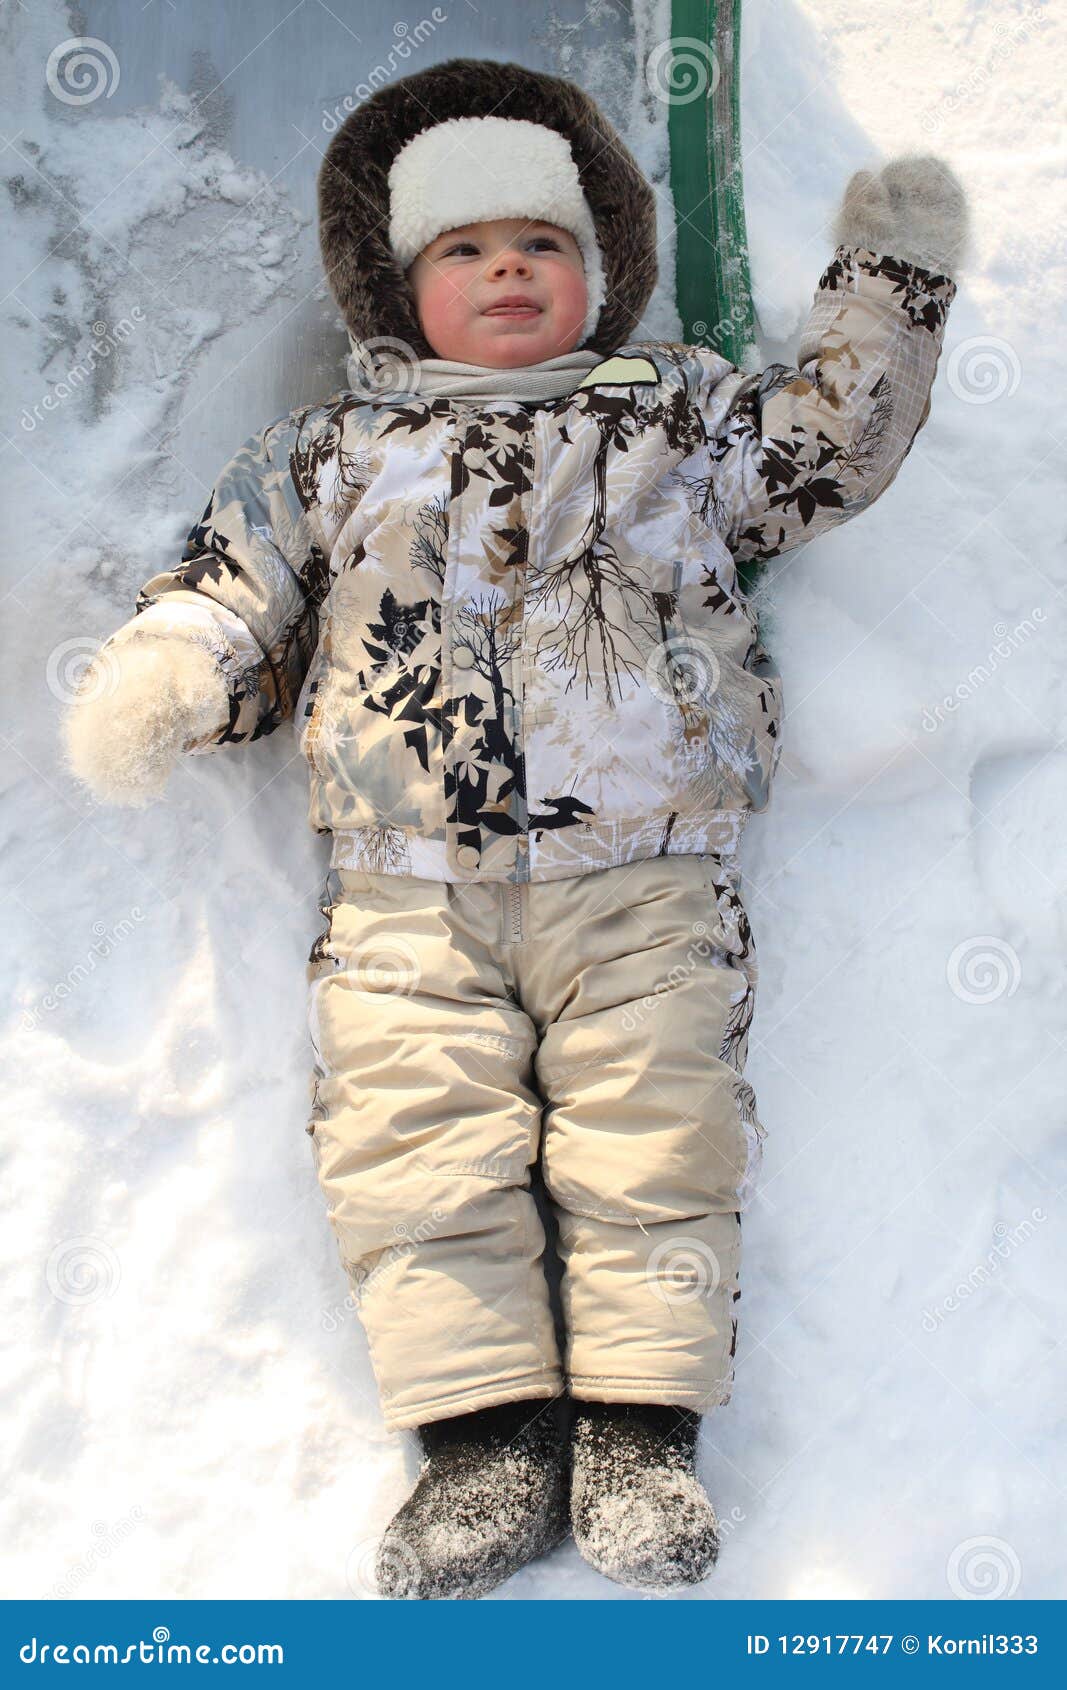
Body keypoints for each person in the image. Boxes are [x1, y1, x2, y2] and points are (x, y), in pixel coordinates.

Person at [61, 56, 970, 1599]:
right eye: (466, 251)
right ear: (398, 287)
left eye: (540, 246)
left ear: (594, 272)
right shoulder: (334, 454)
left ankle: (637, 1426)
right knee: (413, 1140)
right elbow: (240, 585)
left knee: (657, 1129)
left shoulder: (673, 417)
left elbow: (823, 449)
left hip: (645, 874)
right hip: (408, 888)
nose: (507, 271)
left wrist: (889, 283)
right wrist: (169, 672)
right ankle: (480, 1438)